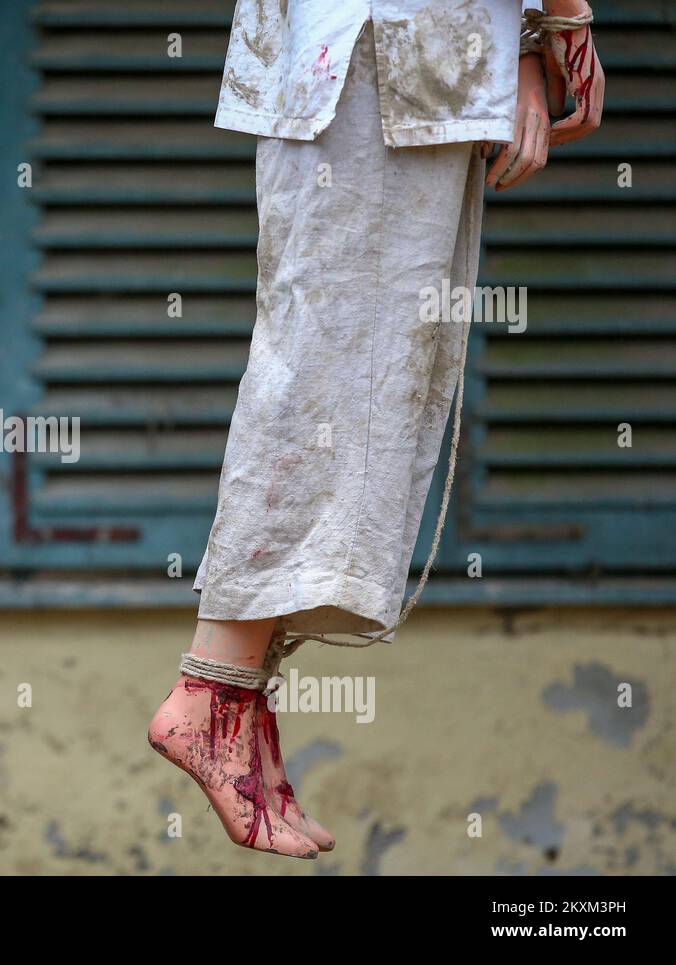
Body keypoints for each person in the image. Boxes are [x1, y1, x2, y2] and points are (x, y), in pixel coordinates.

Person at [148, 0, 605, 858]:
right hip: (381, 48)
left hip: (405, 54)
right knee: (333, 359)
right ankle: (213, 688)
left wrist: (523, 50)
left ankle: (237, 689)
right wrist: (564, 18)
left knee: (374, 370)